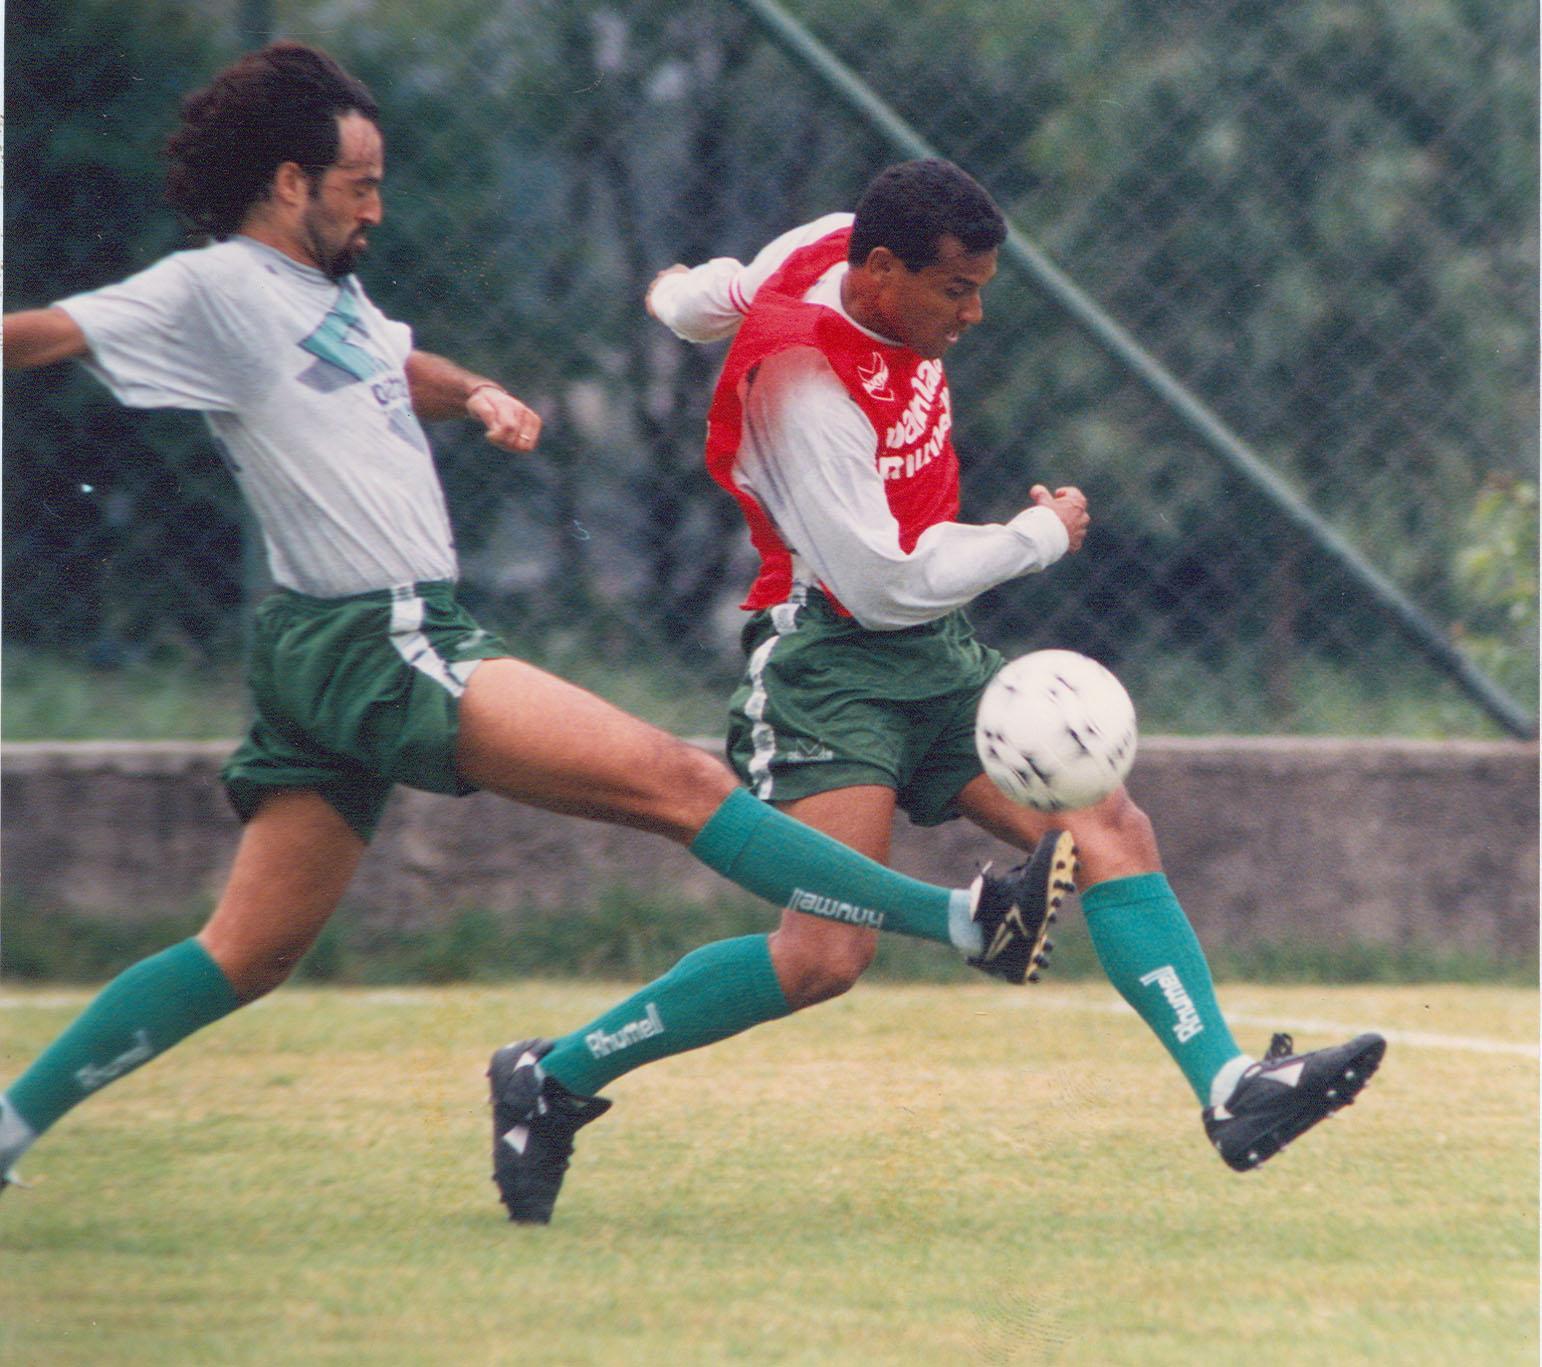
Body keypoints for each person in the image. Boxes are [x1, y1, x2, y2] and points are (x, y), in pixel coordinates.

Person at [0, 48, 1072, 1214]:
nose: (376, 202)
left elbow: (376, 367)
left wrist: (468, 394)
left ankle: (7, 1125)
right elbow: (46, 333)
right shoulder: (209, 289)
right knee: (673, 778)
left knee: (245, 954)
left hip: (321, 644)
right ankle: (964, 917)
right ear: (285, 180)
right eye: (357, 181)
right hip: (384, 636)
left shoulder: (323, 291)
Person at [489, 157, 1387, 1224]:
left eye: (982, 290)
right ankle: (550, 1077)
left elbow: (709, 295)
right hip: (828, 661)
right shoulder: (803, 388)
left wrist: (671, 291)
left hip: (936, 649)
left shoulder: (829, 238)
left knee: (1107, 823)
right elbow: (877, 581)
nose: (971, 313)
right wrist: (1033, 538)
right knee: (823, 954)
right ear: (879, 272)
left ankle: (1232, 1088)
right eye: (954, 290)